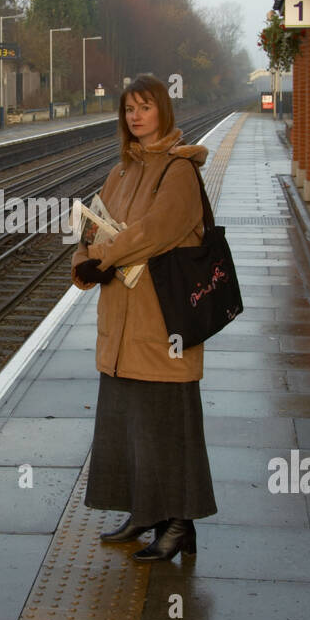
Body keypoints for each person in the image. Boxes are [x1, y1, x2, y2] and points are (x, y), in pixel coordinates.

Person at [71, 73, 216, 561]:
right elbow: (94, 223)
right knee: (131, 425)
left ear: (164, 112)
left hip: (162, 324)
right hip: (122, 324)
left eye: (145, 106)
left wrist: (105, 254)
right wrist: (84, 262)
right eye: (129, 108)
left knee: (168, 427)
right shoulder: (121, 171)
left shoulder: (179, 172)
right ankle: (146, 511)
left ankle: (179, 524)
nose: (135, 116)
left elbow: (156, 231)